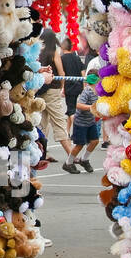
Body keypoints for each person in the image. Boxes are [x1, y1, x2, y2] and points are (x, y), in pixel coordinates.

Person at [36, 27, 70, 167]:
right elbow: (61, 72)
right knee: (58, 121)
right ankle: (71, 155)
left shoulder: (39, 52)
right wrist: (63, 86)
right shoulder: (54, 52)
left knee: (42, 123)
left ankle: (41, 153)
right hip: (53, 91)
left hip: (41, 89)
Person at [63, 59, 102, 173]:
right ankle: (68, 163)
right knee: (79, 145)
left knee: (94, 141)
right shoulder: (87, 91)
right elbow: (78, 105)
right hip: (81, 122)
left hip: (90, 121)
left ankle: (84, 159)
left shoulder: (98, 91)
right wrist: (91, 108)